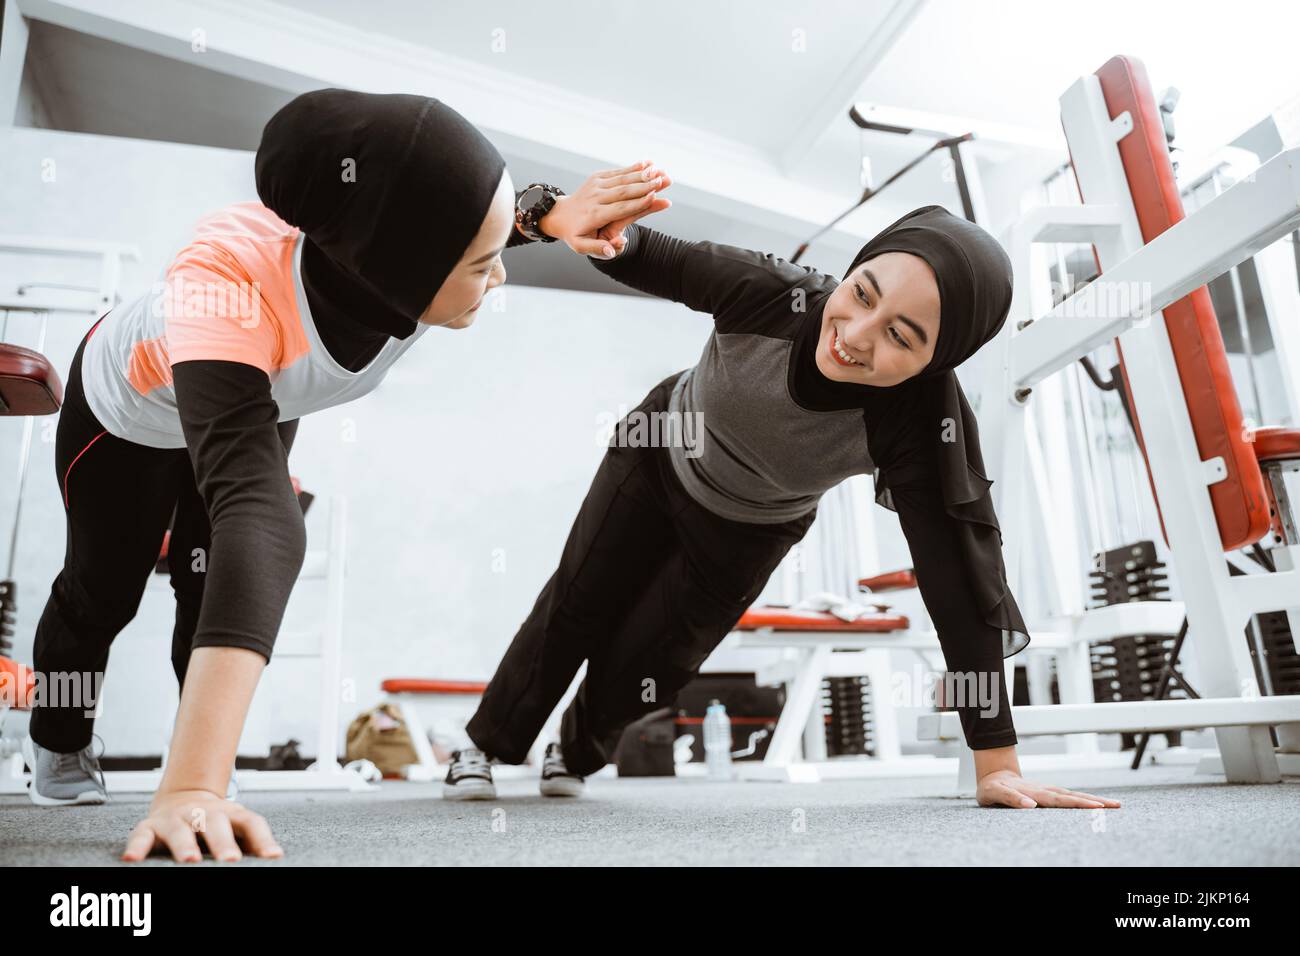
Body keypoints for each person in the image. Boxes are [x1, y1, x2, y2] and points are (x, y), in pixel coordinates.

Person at [25, 87, 671, 861]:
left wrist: (547, 214)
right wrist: (189, 795)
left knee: (204, 591)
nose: (497, 279)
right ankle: (62, 740)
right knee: (104, 591)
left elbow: (447, 218)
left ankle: (201, 761)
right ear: (396, 269)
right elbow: (261, 522)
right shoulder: (223, 286)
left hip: (262, 385)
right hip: (128, 415)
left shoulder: (391, 255)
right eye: (482, 264)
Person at [449, 206, 1121, 812]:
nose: (855, 335)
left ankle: (579, 747)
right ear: (853, 272)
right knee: (578, 602)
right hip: (658, 452)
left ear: (936, 360)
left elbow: (957, 582)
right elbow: (645, 251)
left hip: (753, 525)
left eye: (902, 336)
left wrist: (996, 762)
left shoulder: (920, 425)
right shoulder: (773, 293)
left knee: (657, 662)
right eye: (862, 294)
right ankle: (486, 743)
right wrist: (560, 215)